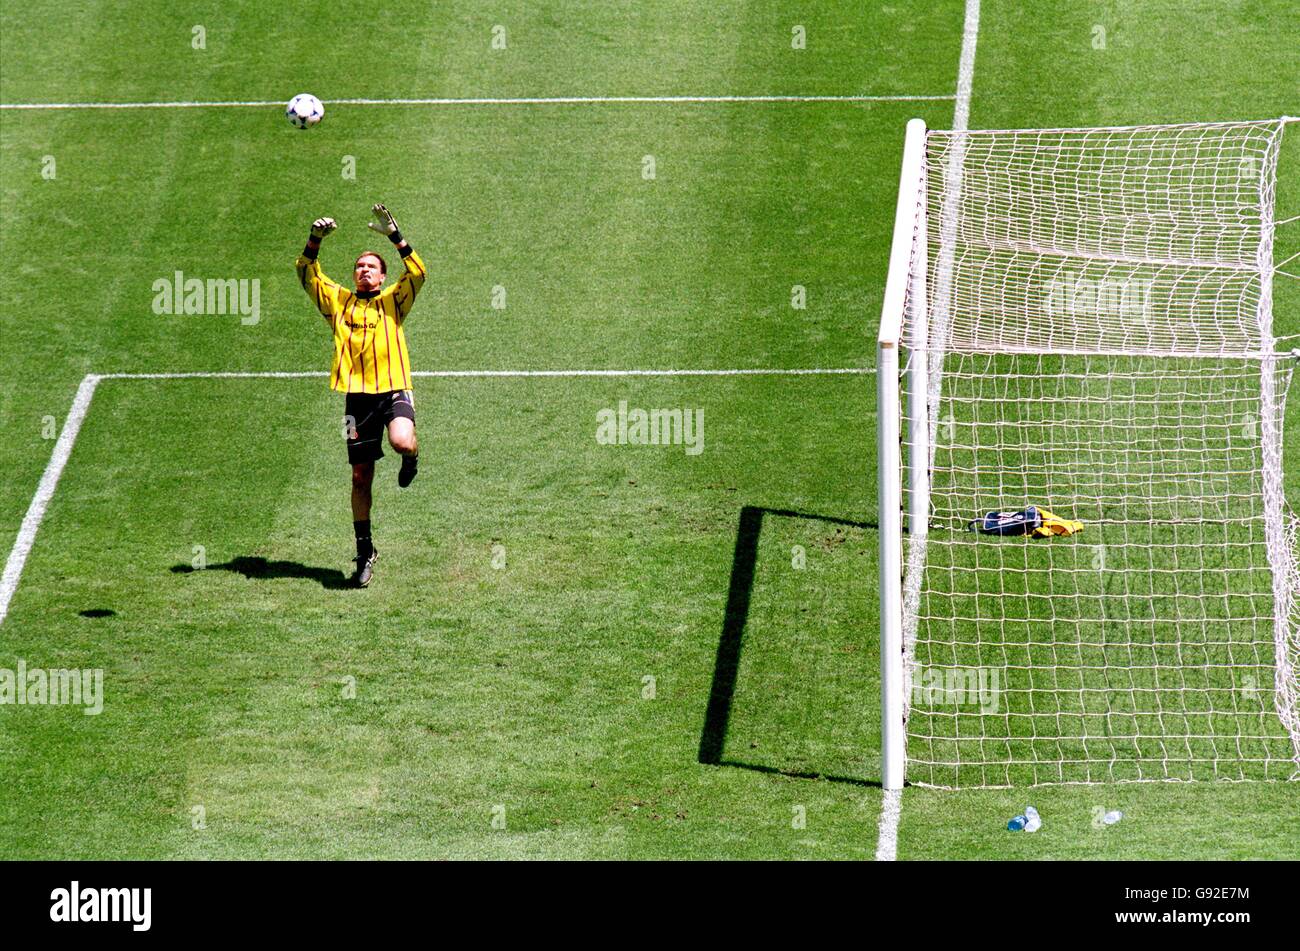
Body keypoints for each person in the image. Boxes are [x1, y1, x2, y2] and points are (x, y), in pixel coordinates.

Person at [295, 204, 427, 587]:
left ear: (384, 277)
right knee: (359, 477)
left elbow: (418, 273)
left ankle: (413, 456)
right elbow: (306, 273)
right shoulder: (338, 303)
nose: (364, 270)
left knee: (402, 440)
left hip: (394, 388)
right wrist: (315, 240)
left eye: (372, 267)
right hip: (357, 399)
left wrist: (394, 237)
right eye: (360, 266)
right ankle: (365, 551)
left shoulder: (393, 302)